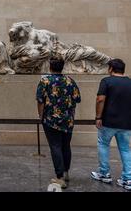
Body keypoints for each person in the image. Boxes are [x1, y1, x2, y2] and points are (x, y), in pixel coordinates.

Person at [36, 58, 81, 189]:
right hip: (68, 120)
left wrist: (41, 116)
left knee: (55, 146)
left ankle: (60, 177)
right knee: (66, 146)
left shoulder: (45, 81)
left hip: (50, 121)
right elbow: (78, 99)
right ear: (62, 67)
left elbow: (40, 101)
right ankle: (66, 172)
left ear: (50, 67)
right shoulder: (70, 81)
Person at [91, 59, 131, 191]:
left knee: (103, 144)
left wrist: (98, 117)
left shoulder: (106, 81)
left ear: (111, 69)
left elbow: (100, 99)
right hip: (126, 123)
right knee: (125, 149)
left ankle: (104, 174)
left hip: (108, 122)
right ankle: (127, 179)